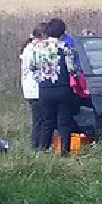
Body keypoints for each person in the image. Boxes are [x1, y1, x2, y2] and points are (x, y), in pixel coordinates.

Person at [31, 17, 78, 157]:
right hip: (63, 88)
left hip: (45, 89)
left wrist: (42, 79)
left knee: (47, 122)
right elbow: (72, 69)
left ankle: (43, 151)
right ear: (62, 33)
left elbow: (33, 67)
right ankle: (64, 152)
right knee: (64, 122)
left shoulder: (38, 49)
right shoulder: (66, 48)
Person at [19, 23, 47, 150]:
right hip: (34, 91)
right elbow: (37, 67)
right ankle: (36, 147)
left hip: (34, 90)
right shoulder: (31, 50)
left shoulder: (31, 49)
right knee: (38, 121)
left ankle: (39, 145)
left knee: (40, 120)